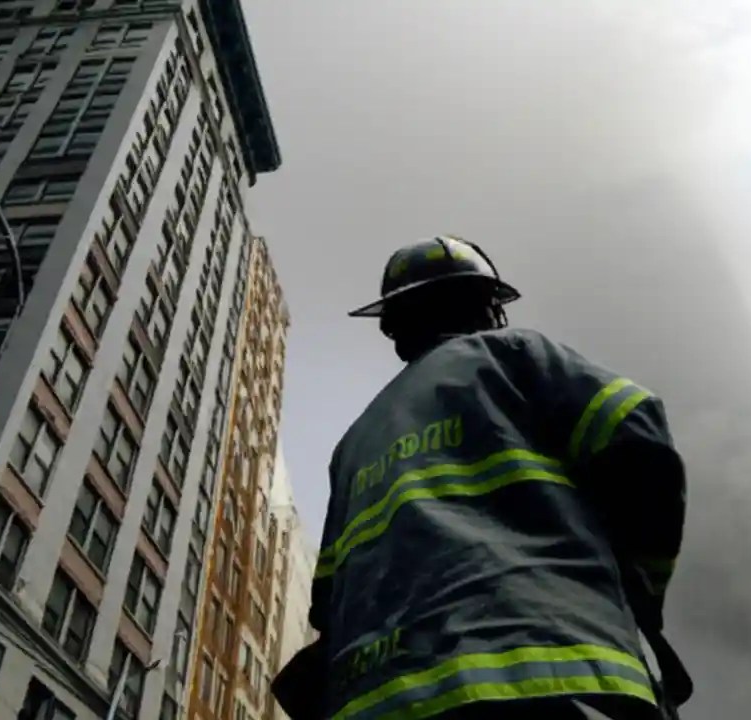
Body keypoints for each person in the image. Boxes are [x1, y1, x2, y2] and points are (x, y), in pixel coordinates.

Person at [272, 236, 691, 720]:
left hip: (379, 698)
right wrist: (640, 586)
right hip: (550, 669)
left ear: (395, 329)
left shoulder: (353, 443)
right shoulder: (516, 355)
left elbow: (327, 600)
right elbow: (639, 439)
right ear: (489, 308)